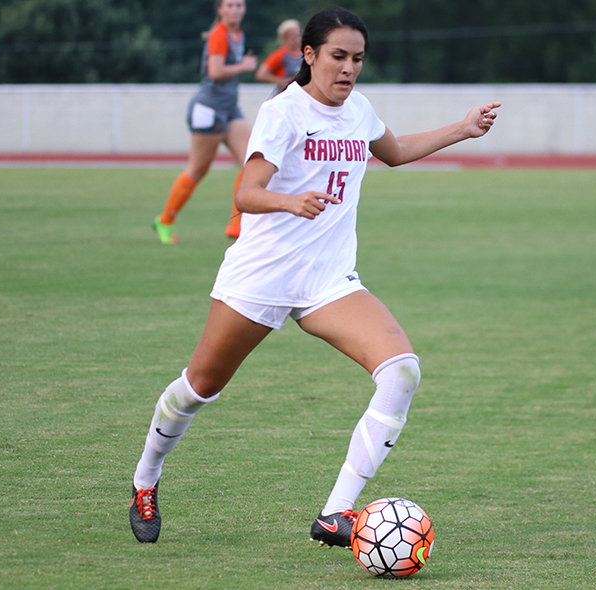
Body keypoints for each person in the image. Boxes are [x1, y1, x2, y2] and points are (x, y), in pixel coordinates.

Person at [129, 7, 500, 547]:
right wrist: (289, 200)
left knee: (401, 372)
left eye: (357, 59)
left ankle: (335, 513)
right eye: (338, 57)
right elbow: (245, 193)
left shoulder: (360, 110)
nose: (348, 69)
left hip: (328, 280)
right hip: (263, 275)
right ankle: (145, 479)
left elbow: (393, 154)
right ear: (309, 55)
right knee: (199, 387)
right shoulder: (284, 112)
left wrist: (462, 130)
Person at [153, 0, 257, 245]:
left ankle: (236, 225)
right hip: (208, 110)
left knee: (253, 160)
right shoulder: (219, 34)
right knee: (198, 170)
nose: (235, 10)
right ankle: (165, 221)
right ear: (220, 9)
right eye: (230, 5)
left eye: (239, 5)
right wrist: (243, 66)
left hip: (230, 110)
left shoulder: (238, 33)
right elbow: (215, 71)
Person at [221, 19, 305, 239]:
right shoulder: (281, 55)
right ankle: (241, 220)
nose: (297, 37)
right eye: (293, 34)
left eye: (299, 33)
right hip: (286, 110)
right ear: (285, 37)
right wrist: (282, 80)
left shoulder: (305, 54)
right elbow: (261, 73)